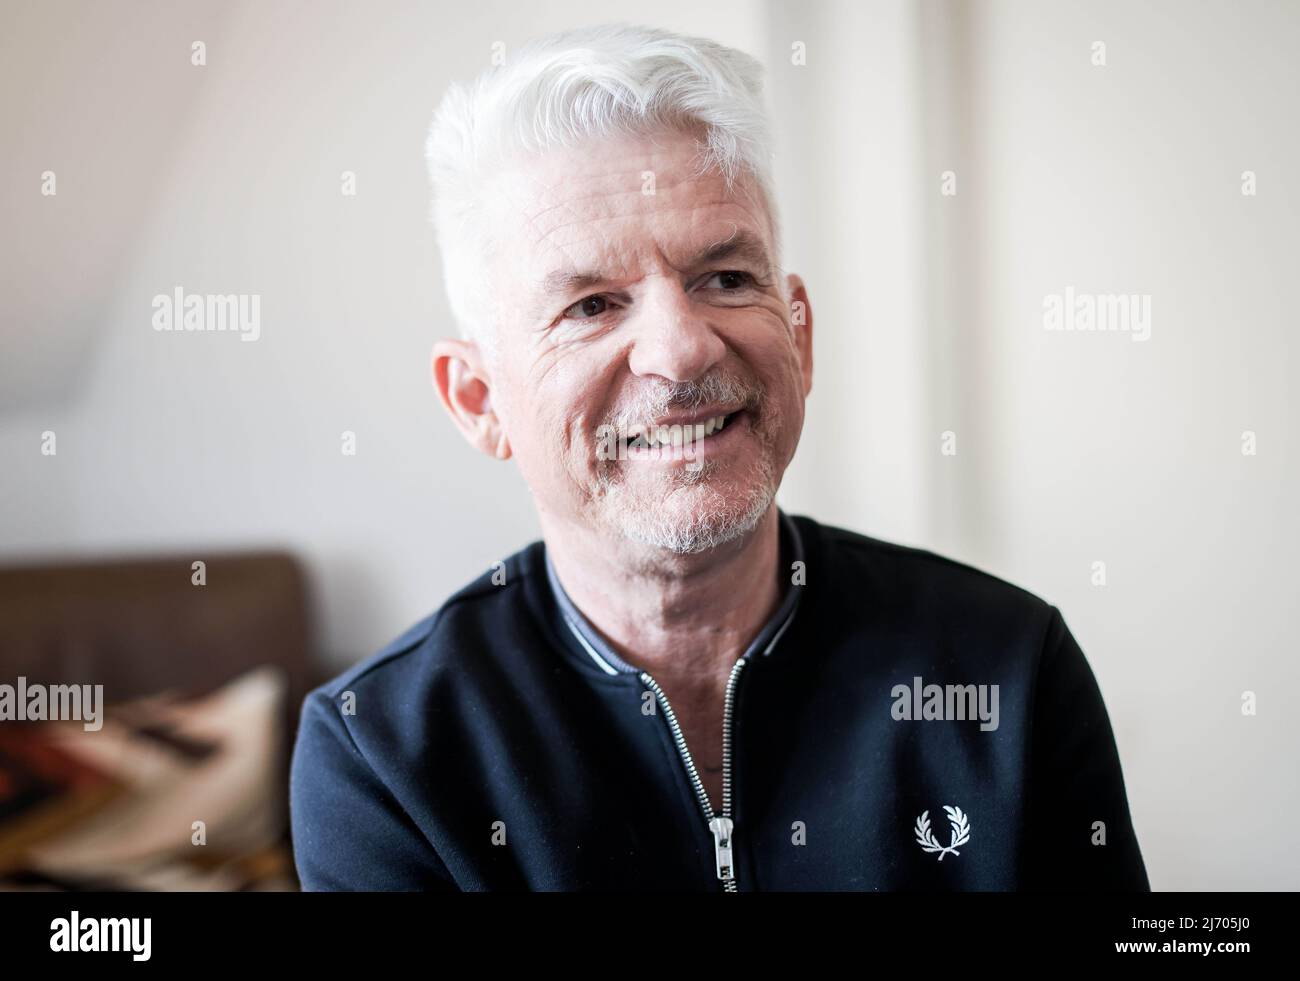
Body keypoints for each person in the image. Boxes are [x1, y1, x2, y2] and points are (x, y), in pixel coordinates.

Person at [289, 23, 1148, 891]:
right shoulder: (383, 753)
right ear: (480, 400)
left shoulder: (1007, 666)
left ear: (800, 336)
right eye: (591, 304)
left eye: (727, 278)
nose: (683, 348)